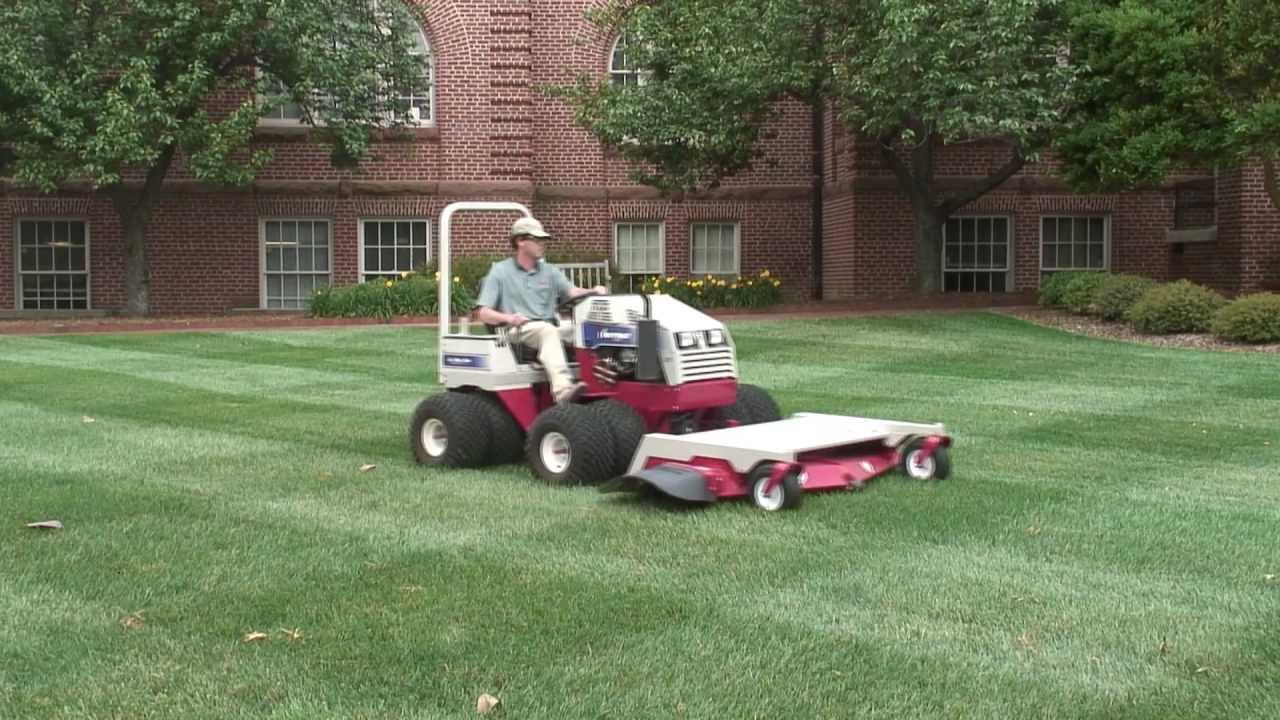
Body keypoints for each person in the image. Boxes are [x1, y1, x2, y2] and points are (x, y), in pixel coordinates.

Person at [475, 216, 607, 404]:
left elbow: (572, 292)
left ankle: (605, 383)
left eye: (543, 240)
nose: (542, 244)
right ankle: (563, 390)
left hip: (548, 327)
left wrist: (594, 291)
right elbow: (483, 313)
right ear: (520, 241)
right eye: (537, 240)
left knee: (589, 330)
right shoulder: (500, 272)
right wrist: (510, 318)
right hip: (517, 331)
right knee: (547, 331)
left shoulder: (550, 271)